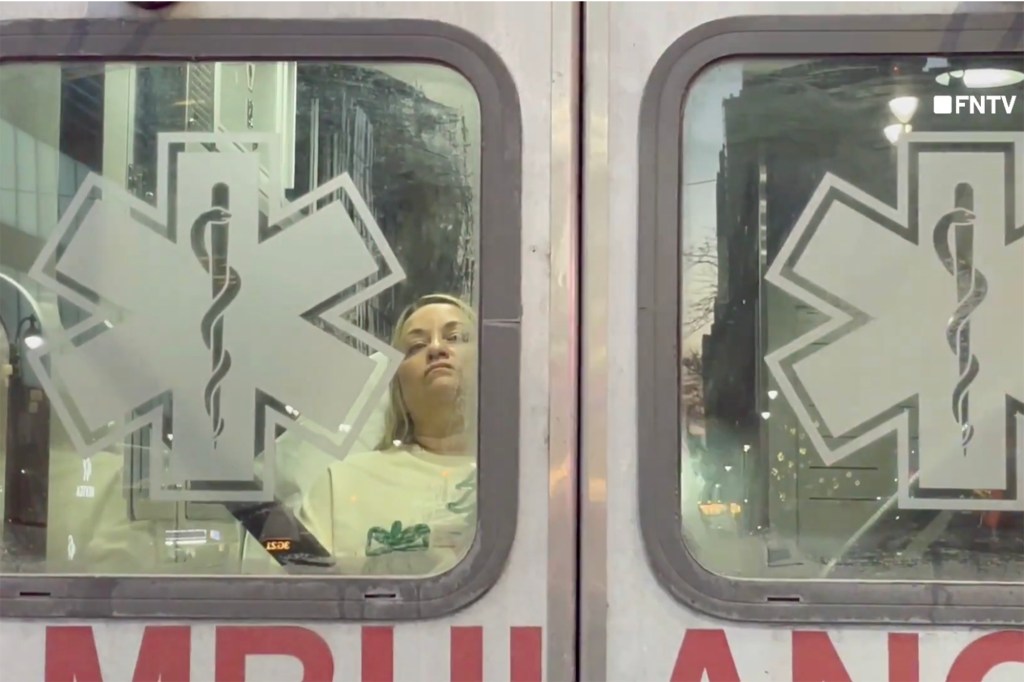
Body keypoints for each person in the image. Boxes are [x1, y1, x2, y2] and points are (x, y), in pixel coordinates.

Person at [296, 293, 478, 576]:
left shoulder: (531, 482)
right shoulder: (342, 485)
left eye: (455, 337)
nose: (437, 349)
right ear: (397, 388)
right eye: (416, 346)